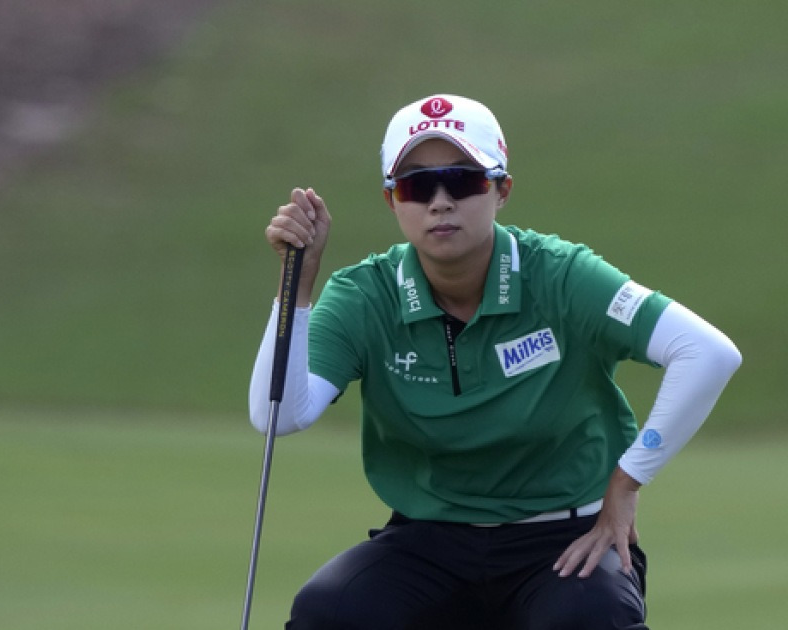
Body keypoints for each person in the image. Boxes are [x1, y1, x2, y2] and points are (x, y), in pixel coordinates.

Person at [249, 93, 742, 629]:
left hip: (563, 537)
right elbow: (279, 415)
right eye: (417, 186)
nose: (440, 202)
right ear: (392, 200)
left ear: (501, 190)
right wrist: (296, 288)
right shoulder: (365, 295)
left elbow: (708, 353)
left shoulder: (562, 276)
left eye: (462, 181)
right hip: (426, 542)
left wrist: (627, 482)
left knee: (588, 618)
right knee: (330, 611)